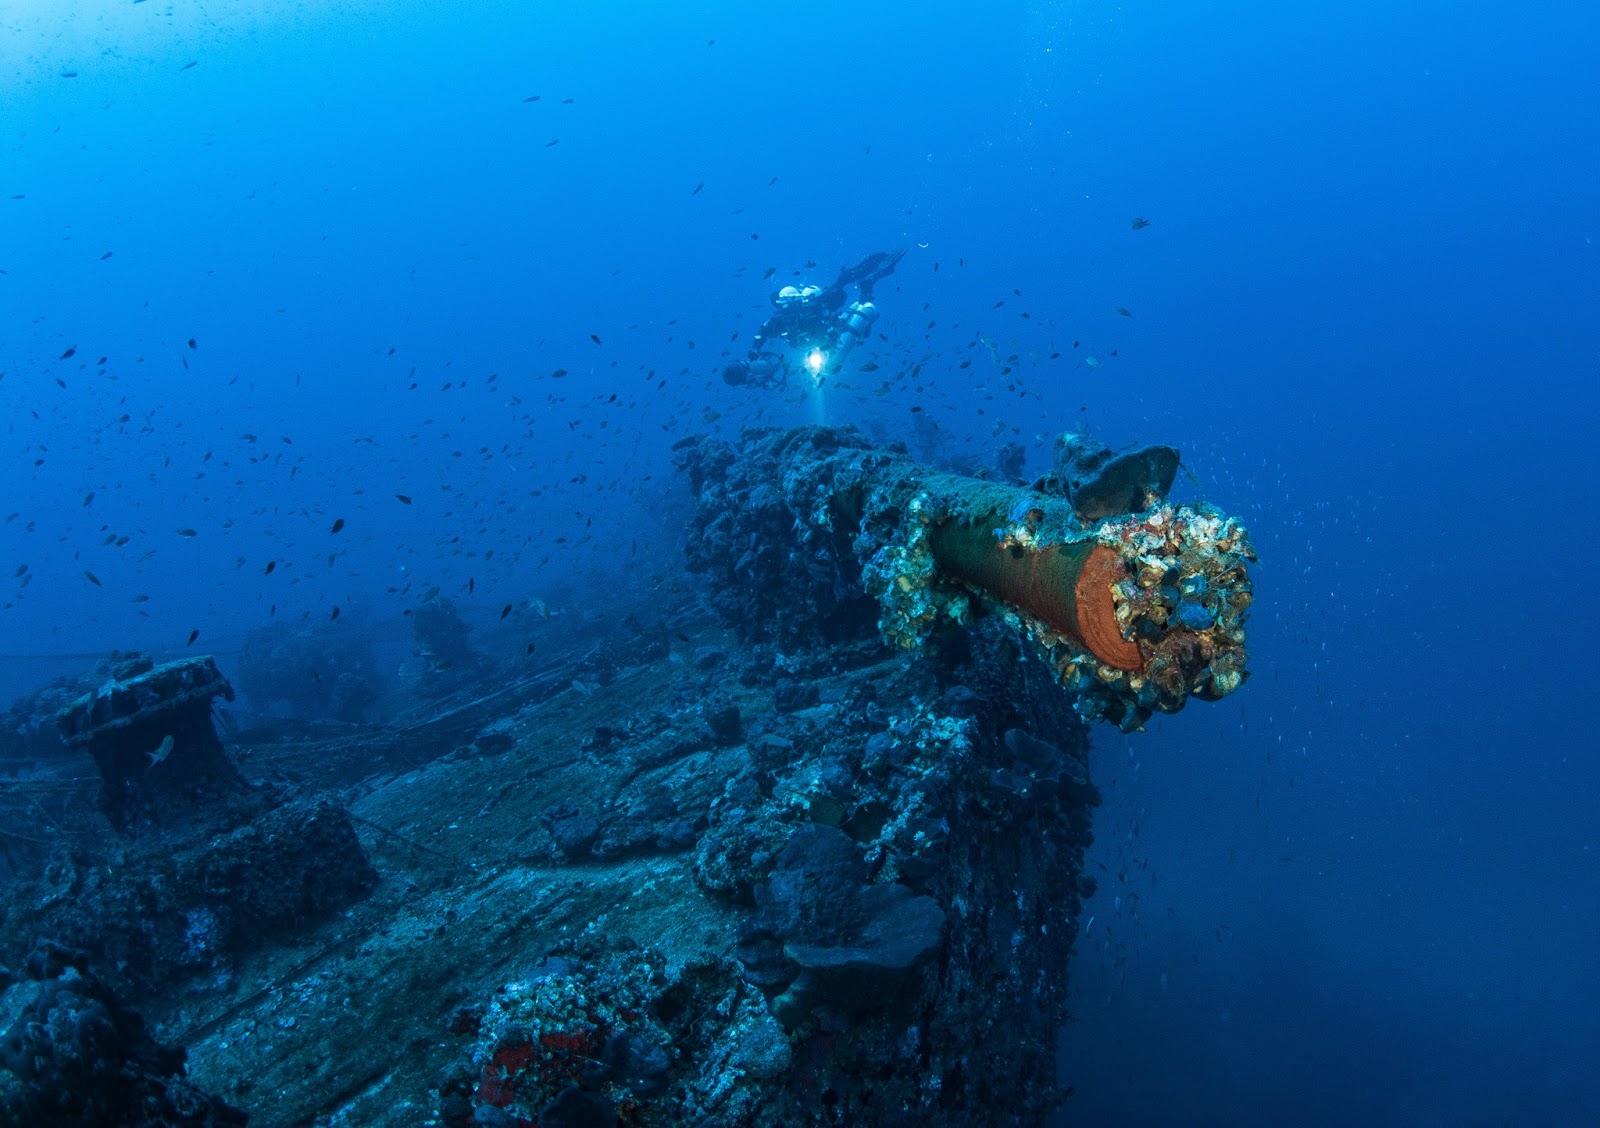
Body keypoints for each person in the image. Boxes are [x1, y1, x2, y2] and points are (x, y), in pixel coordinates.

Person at [723, 249, 905, 389]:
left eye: (793, 311)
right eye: (787, 311)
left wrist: (866, 267)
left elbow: (840, 285)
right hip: (822, 341)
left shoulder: (813, 305)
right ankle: (867, 286)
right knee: (857, 328)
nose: (791, 316)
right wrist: (755, 350)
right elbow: (762, 333)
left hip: (834, 330)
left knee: (862, 322)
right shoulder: (779, 321)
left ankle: (867, 285)